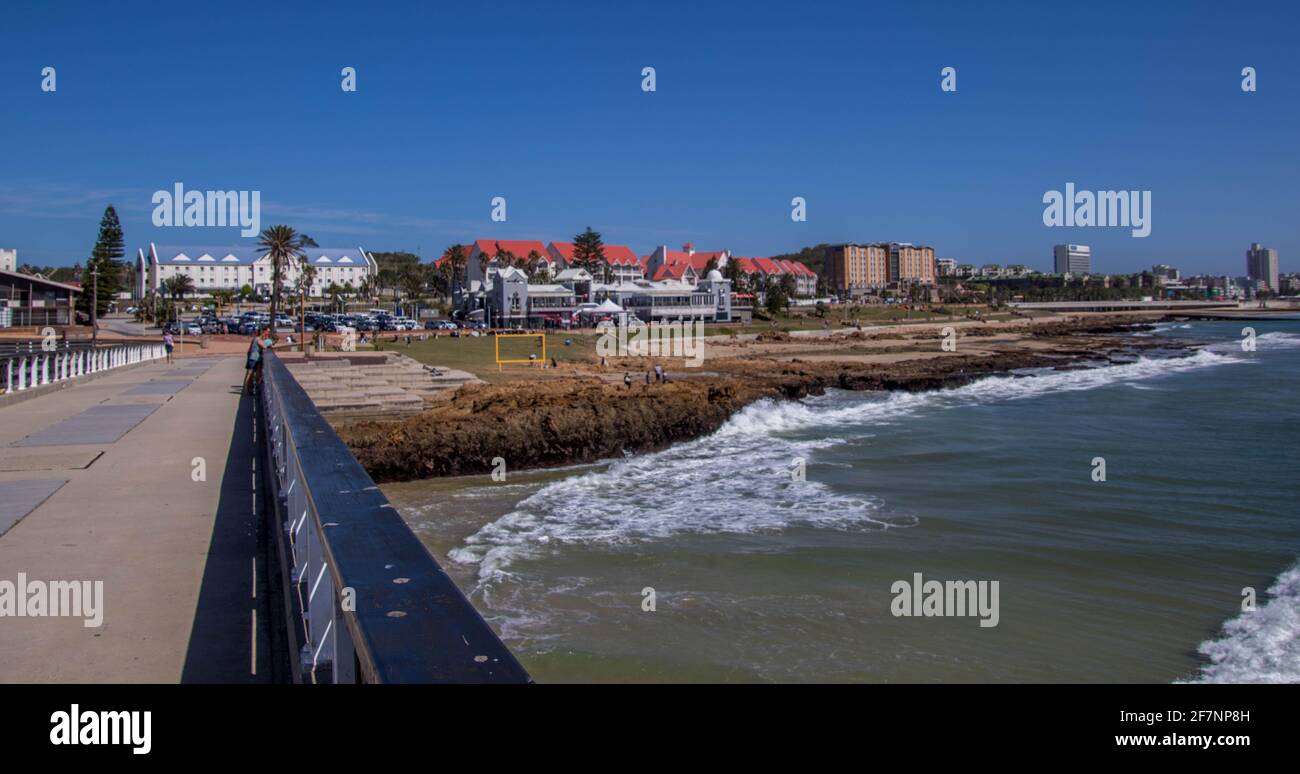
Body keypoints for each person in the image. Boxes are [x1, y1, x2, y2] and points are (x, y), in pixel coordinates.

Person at [242, 328, 264, 395]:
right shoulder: (258, 339)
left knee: (251, 374)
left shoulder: (255, 339)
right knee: (250, 374)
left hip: (252, 358)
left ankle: (248, 388)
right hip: (254, 358)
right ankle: (246, 389)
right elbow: (264, 346)